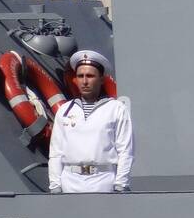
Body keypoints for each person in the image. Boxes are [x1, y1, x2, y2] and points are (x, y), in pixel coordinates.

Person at [48, 49, 134, 194]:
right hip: (70, 181)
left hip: (103, 180)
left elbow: (125, 150)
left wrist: (121, 184)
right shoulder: (65, 110)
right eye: (80, 76)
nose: (85, 81)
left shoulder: (116, 109)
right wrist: (55, 185)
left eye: (90, 76)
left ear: (101, 79)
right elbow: (56, 152)